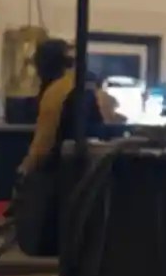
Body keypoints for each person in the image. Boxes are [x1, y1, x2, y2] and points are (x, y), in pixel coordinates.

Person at [18, 39, 114, 175]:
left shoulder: (56, 92)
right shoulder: (88, 86)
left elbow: (43, 143)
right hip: (98, 170)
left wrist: (24, 169)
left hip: (67, 171)